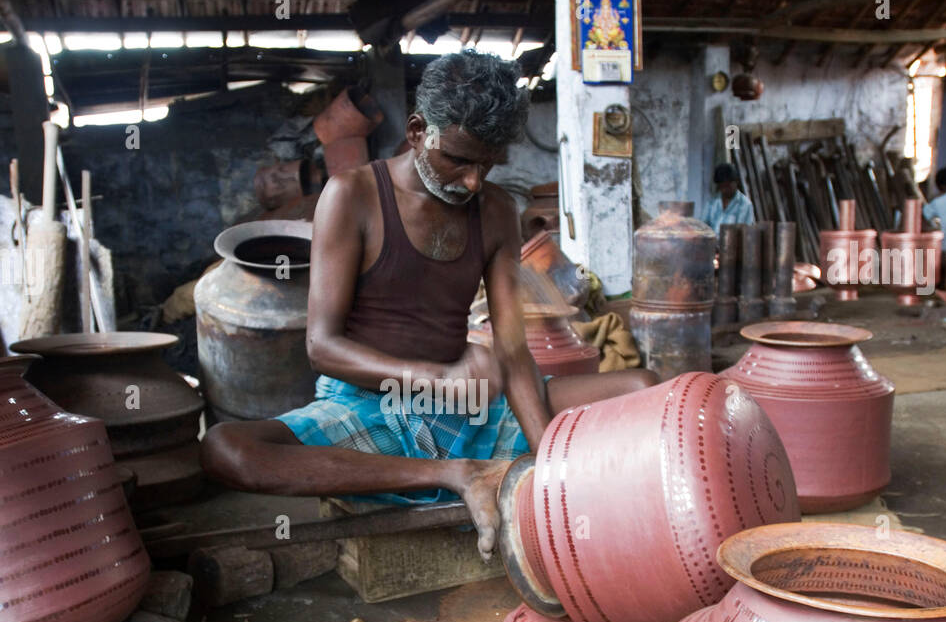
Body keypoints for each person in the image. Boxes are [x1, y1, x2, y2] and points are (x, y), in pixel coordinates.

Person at [203, 52, 656, 561]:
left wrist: (546, 464)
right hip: (373, 405)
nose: (473, 182)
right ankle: (457, 473)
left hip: (469, 408)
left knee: (642, 391)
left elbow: (510, 349)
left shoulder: (497, 211)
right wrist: (434, 379)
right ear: (419, 131)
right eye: (459, 159)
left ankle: (507, 473)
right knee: (227, 449)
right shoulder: (353, 194)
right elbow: (322, 348)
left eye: (487, 164)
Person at [701, 163, 754, 234]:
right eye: (722, 186)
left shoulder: (745, 205)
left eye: (728, 186)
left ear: (736, 182)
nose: (725, 190)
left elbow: (743, 234)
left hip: (733, 244)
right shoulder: (712, 202)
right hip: (711, 243)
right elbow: (702, 226)